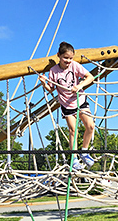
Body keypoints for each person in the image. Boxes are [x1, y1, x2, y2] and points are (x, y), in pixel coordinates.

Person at [39, 42, 96, 170]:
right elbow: (51, 89)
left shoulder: (75, 66)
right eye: (65, 58)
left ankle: (84, 152)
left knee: (90, 125)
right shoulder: (53, 71)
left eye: (70, 58)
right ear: (59, 55)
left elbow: (90, 77)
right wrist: (44, 83)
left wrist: (79, 86)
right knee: (73, 130)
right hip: (66, 103)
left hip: (79, 100)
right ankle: (74, 158)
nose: (68, 61)